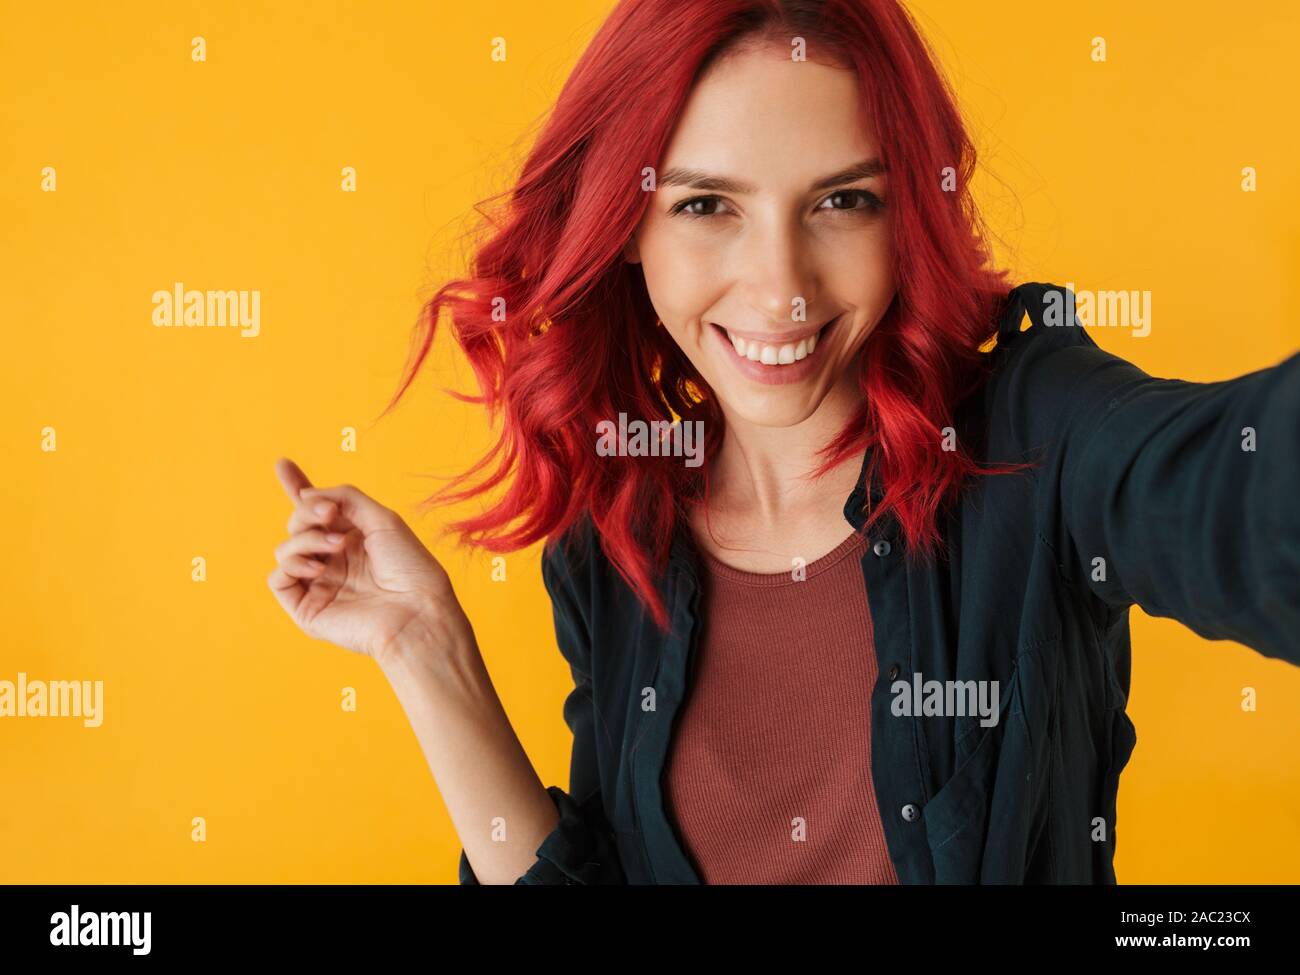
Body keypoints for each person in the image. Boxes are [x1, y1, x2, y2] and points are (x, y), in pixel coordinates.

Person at [267, 0, 1300, 884]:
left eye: (842, 201)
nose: (780, 287)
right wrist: (421, 647)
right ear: (626, 229)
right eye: (707, 205)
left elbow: (1241, 489)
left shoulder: (1038, 439)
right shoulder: (616, 536)